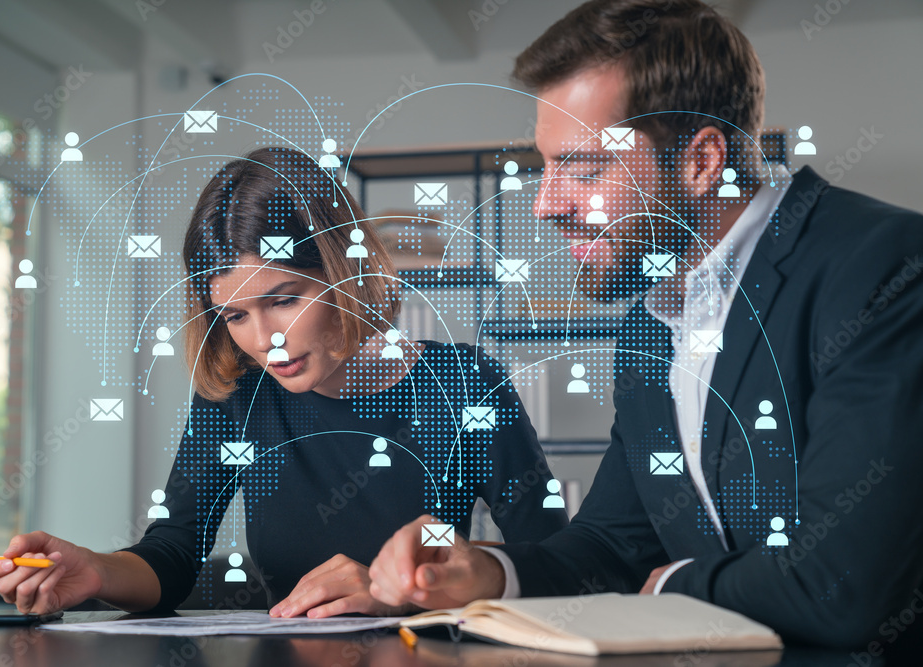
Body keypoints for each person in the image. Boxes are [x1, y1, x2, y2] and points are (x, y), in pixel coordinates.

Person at [369, 0, 923, 654]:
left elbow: (839, 585)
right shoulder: (649, 324)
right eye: (546, 167)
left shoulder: (886, 267)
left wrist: (669, 588)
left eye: (583, 168)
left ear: (702, 160)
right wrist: (480, 571)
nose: (546, 205)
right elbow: (613, 543)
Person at [0, 146, 567, 619]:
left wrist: (410, 586)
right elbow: (175, 551)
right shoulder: (238, 395)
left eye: (283, 300)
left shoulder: (465, 385)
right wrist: (97, 571)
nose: (264, 341)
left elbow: (557, 564)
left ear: (345, 270)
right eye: (234, 316)